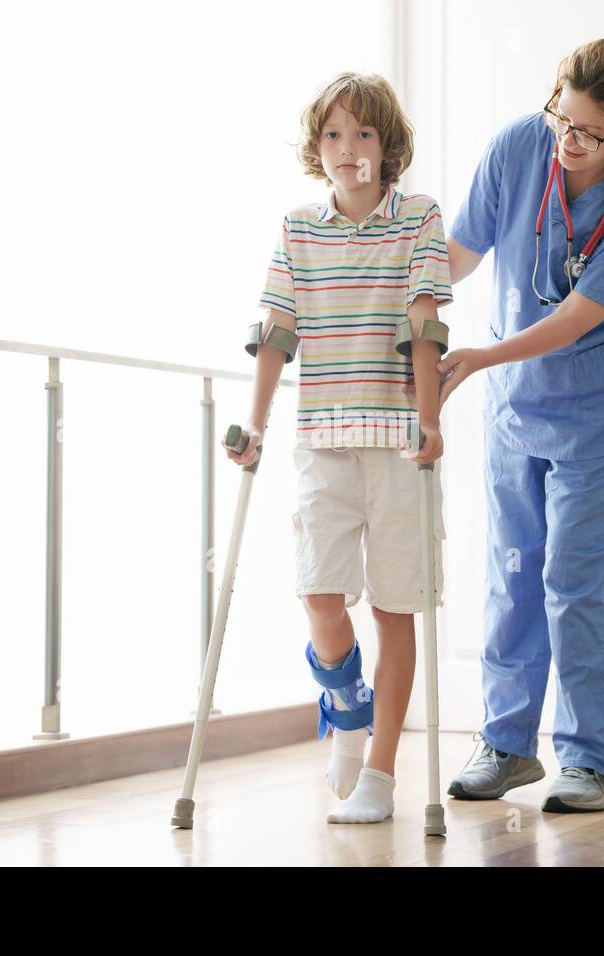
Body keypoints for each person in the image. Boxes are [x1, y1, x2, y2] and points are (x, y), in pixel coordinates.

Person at [437, 34, 604, 812]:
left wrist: (480, 356)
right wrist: (391, 282)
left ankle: (588, 762)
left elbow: (578, 315)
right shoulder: (519, 147)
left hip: (601, 414)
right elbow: (461, 253)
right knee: (511, 574)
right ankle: (506, 746)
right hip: (517, 411)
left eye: (587, 131)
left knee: (573, 584)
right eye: (560, 118)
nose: (565, 140)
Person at [228, 72, 454, 824]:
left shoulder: (418, 217)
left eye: (362, 134)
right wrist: (255, 425)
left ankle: (379, 778)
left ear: (388, 147)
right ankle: (345, 706)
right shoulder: (298, 227)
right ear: (315, 146)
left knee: (396, 608)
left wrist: (429, 422)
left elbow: (425, 324)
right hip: (320, 443)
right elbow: (275, 331)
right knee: (319, 597)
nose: (347, 149)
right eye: (332, 135)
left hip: (396, 446)